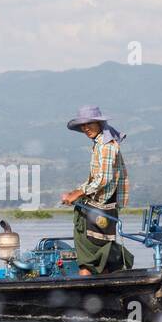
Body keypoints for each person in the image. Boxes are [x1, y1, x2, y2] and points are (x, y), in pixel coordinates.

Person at [59, 106, 134, 276]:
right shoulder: (99, 144)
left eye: (89, 124)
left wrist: (77, 194)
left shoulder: (106, 146)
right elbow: (95, 178)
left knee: (89, 260)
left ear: (99, 123)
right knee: (100, 258)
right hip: (102, 208)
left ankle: (85, 289)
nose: (85, 128)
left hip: (101, 208)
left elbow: (103, 179)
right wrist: (74, 192)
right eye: (82, 126)